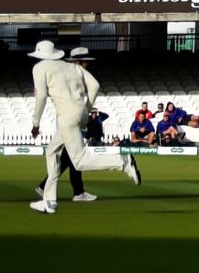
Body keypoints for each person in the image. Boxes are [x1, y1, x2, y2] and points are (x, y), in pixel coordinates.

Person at [28, 40, 137, 214]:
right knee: (51, 151)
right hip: (80, 113)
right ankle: (49, 200)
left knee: (79, 162)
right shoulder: (72, 67)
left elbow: (41, 96)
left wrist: (35, 123)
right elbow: (95, 86)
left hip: (66, 116)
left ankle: (123, 162)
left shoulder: (40, 67)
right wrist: (86, 110)